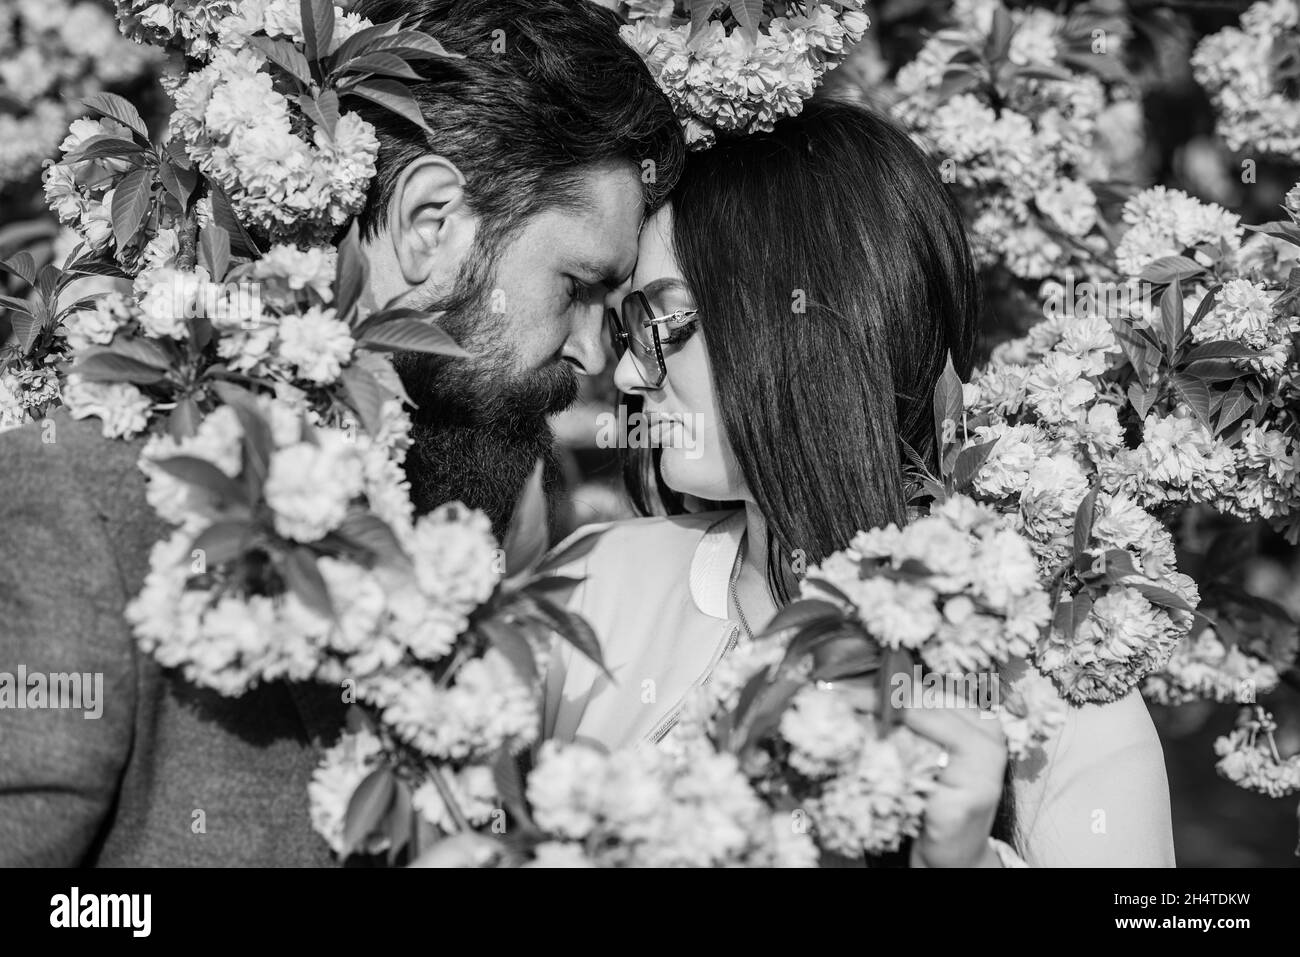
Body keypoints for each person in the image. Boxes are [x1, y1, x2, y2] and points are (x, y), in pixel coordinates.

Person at [0, 0, 684, 866]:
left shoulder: (476, 537)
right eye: (579, 285)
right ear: (430, 222)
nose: (592, 351)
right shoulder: (82, 506)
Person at [541, 98, 1176, 867]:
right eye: (627, 323)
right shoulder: (594, 585)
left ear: (797, 323)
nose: (631, 370)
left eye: (663, 321)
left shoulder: (1060, 688)